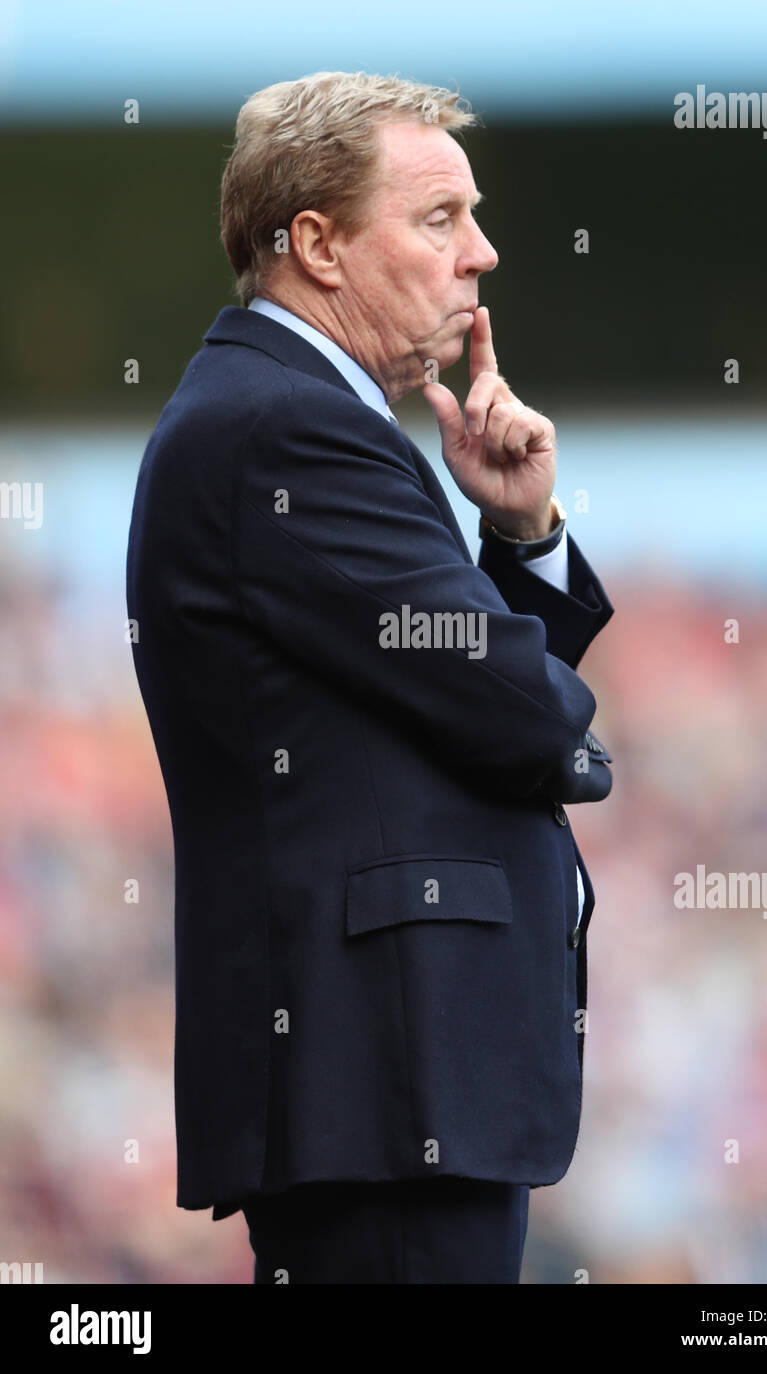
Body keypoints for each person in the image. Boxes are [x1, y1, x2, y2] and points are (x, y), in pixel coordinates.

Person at [126, 70, 614, 1284]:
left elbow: (477, 701)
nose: (483, 255)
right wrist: (551, 712)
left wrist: (517, 534)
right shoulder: (284, 427)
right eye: (439, 219)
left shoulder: (281, 414)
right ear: (316, 246)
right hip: (385, 1085)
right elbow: (518, 711)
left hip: (386, 1087)